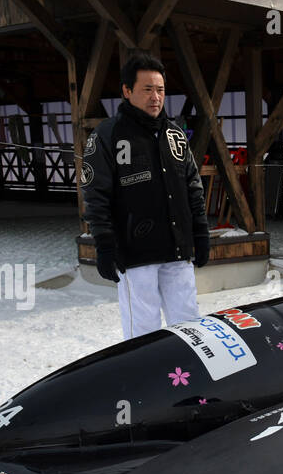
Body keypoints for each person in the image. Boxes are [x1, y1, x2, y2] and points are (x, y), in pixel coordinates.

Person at [81, 52, 210, 339]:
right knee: (143, 333)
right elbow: (95, 195)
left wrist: (200, 234)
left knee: (190, 326)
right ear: (127, 91)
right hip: (135, 254)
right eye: (147, 89)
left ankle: (188, 380)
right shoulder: (107, 135)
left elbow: (193, 187)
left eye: (161, 90)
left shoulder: (175, 134)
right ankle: (146, 381)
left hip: (178, 251)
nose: (156, 97)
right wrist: (104, 244)